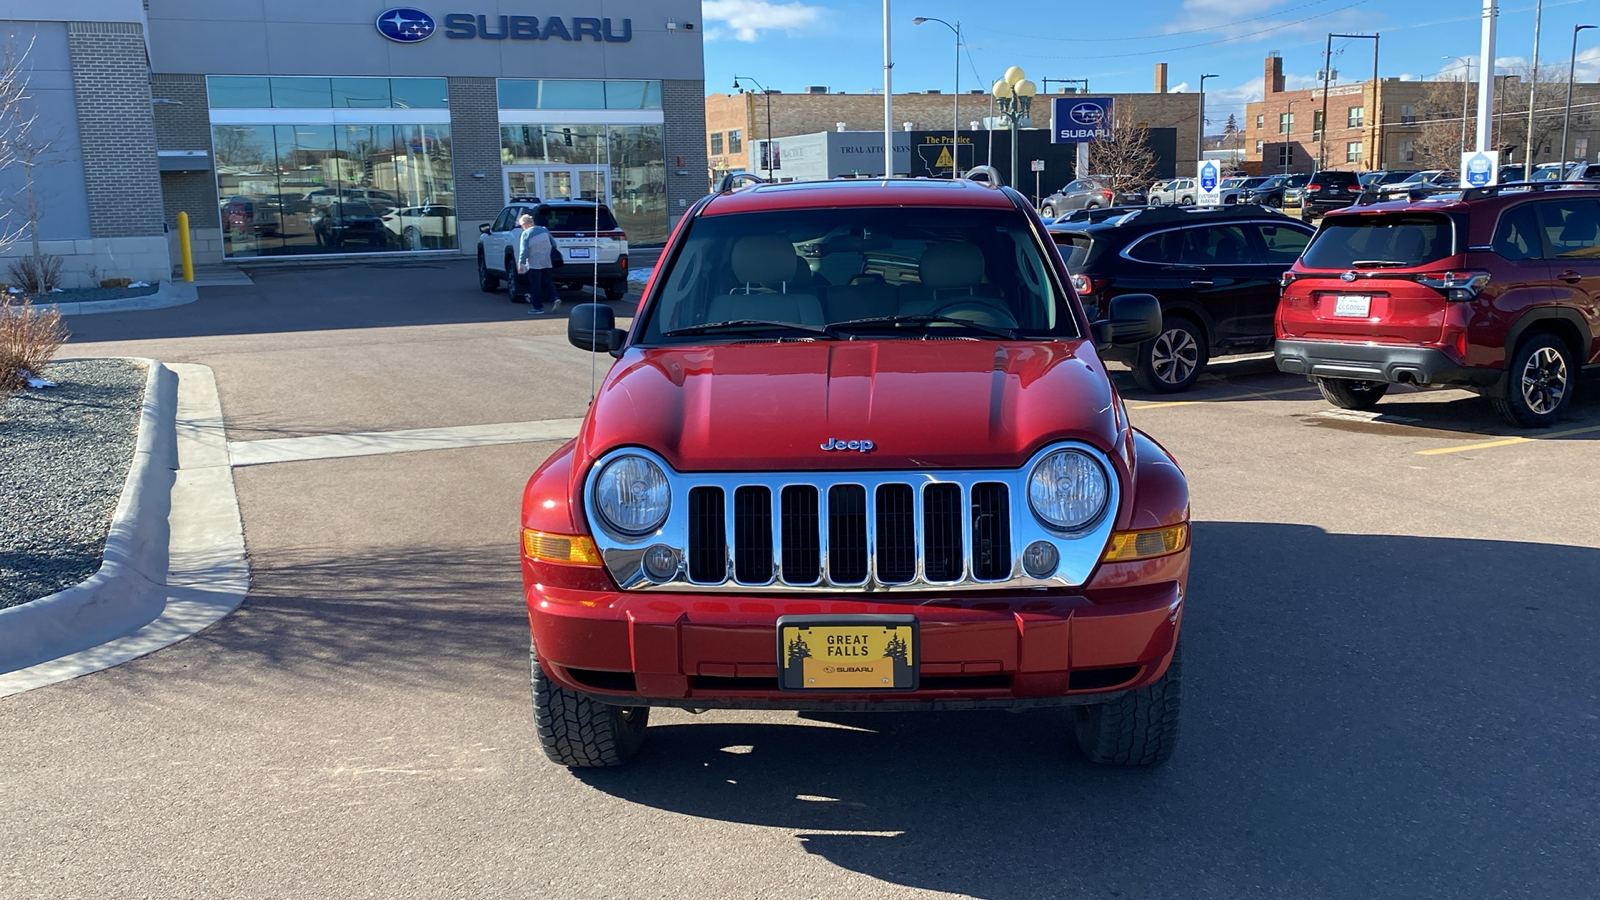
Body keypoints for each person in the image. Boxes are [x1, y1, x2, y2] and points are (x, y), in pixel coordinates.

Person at [516, 213, 554, 315]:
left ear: (524, 224)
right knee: (548, 282)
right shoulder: (544, 229)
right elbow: (553, 243)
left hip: (534, 263)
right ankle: (555, 298)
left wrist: (521, 262)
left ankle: (538, 307)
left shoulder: (526, 233)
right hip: (546, 260)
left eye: (521, 225)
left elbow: (524, 250)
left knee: (535, 286)